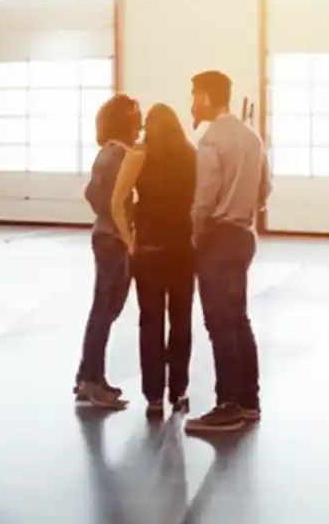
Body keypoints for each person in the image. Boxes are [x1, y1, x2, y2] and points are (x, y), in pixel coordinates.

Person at [184, 71, 271, 435]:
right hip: (244, 235)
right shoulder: (253, 139)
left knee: (219, 322)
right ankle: (249, 400)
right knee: (238, 318)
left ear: (203, 97)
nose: (191, 102)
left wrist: (194, 238)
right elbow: (265, 189)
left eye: (193, 94)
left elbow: (204, 199)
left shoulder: (211, 140)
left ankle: (227, 404)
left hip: (219, 238)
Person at [75, 94, 144, 409]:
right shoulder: (123, 155)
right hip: (114, 238)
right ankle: (91, 381)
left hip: (101, 234)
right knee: (106, 308)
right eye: (136, 117)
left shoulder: (104, 153)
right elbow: (116, 203)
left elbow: (91, 193)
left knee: (104, 307)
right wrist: (127, 237)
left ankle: (90, 375)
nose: (140, 123)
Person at [132, 104, 198, 419]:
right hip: (182, 248)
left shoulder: (140, 155)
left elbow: (123, 196)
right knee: (181, 320)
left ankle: (153, 396)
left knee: (150, 320)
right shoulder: (190, 155)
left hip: (147, 248)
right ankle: (179, 391)